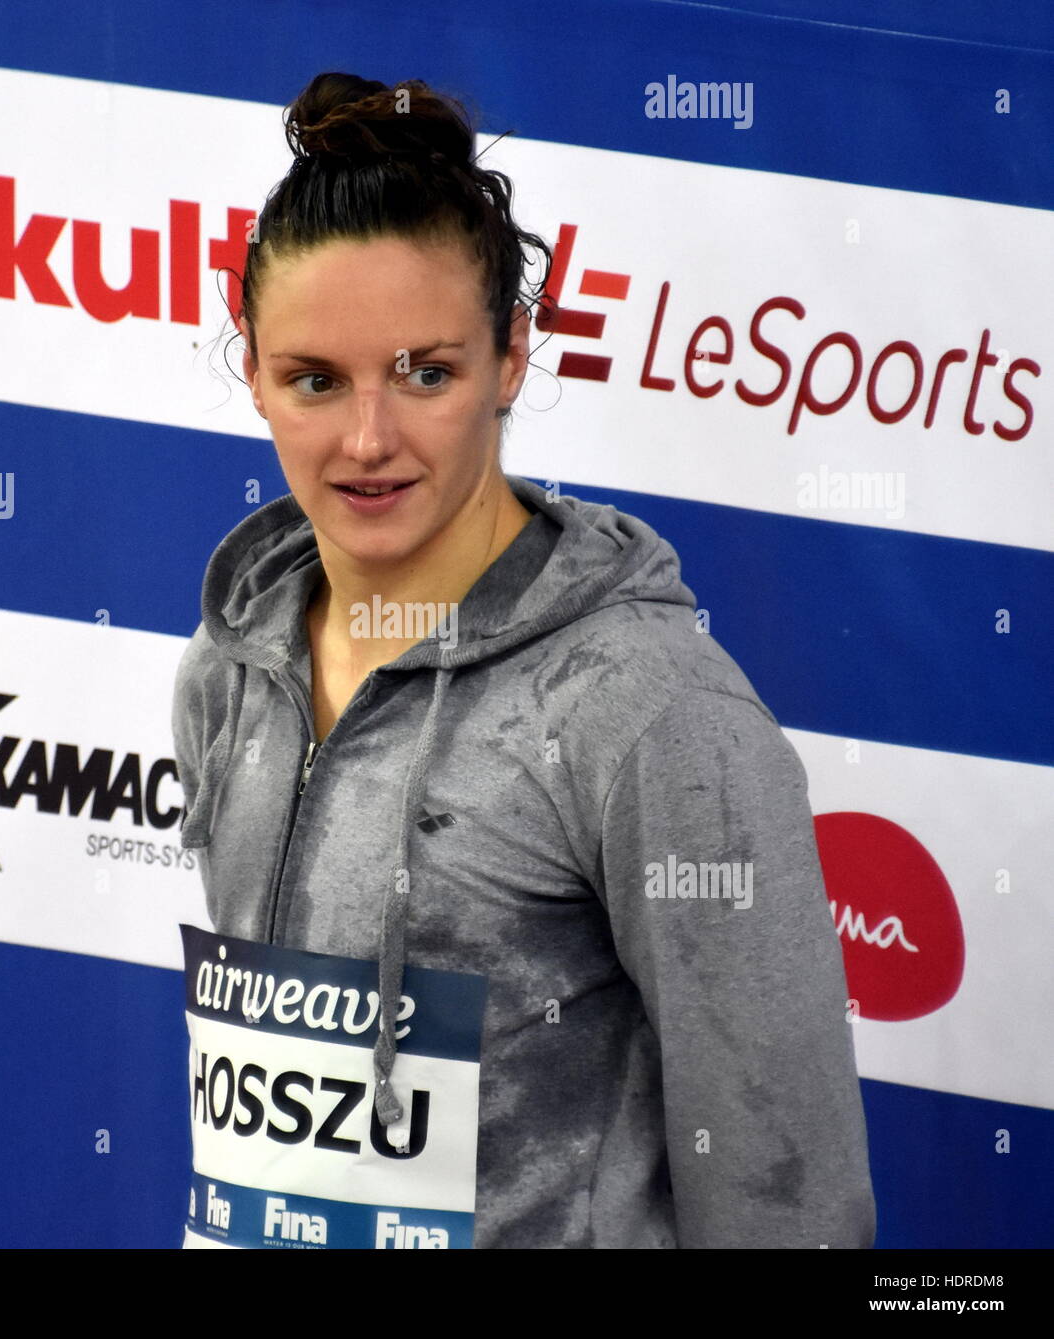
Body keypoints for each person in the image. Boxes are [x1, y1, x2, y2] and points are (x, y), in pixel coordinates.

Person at [171, 71, 876, 1249]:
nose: (367, 440)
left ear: (511, 358)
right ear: (253, 373)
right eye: (315, 380)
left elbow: (785, 1201)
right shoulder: (231, 666)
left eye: (426, 373)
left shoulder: (652, 713)